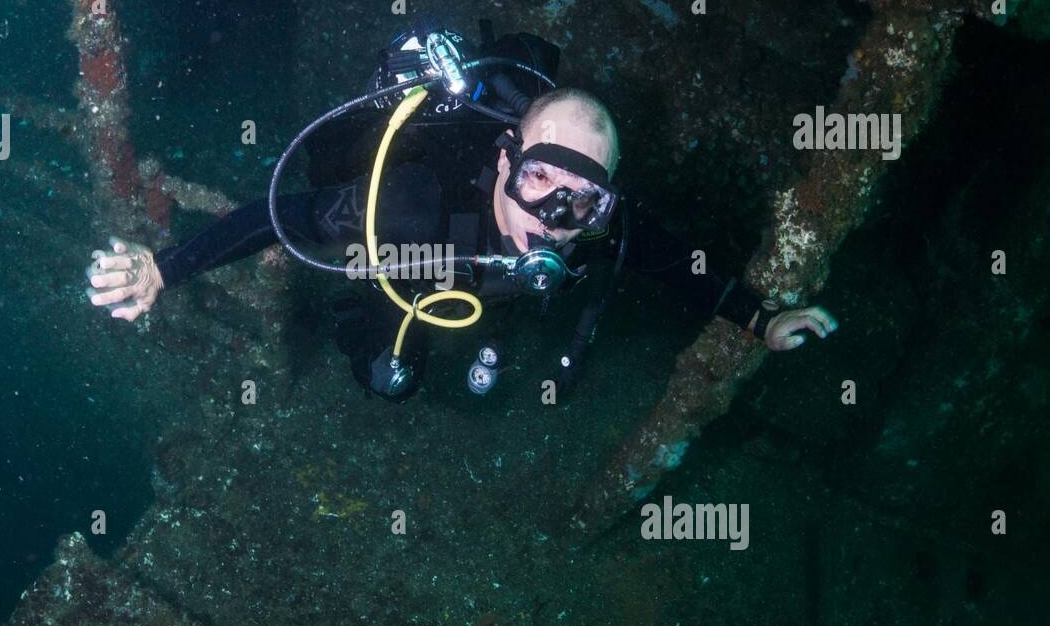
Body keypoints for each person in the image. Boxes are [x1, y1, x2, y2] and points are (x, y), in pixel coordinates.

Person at [85, 25, 837, 402]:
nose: (559, 214)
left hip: (476, 289)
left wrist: (762, 318)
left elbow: (681, 266)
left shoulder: (597, 227)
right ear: (508, 160)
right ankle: (357, 311)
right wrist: (164, 267)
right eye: (542, 179)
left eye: (588, 199)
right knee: (385, 378)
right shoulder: (416, 200)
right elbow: (276, 216)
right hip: (401, 262)